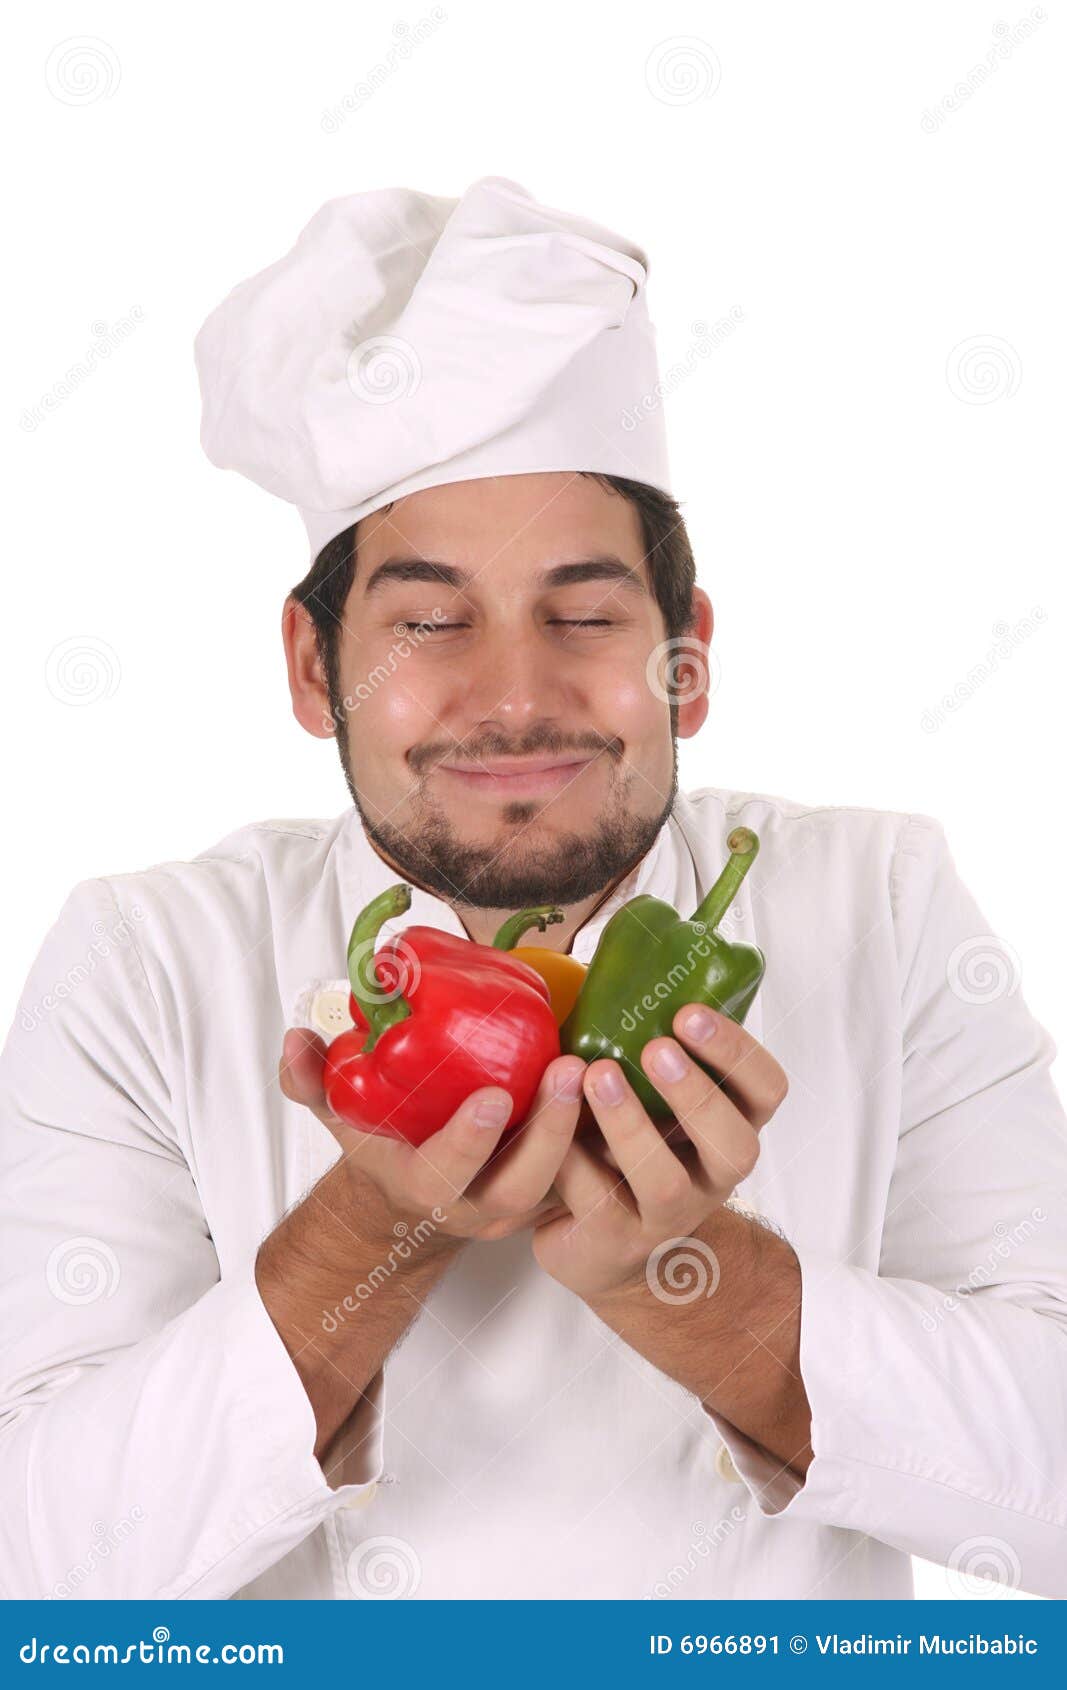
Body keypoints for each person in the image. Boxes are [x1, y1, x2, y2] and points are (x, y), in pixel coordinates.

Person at [2, 177, 1065, 1602]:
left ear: (686, 650)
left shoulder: (876, 903)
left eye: (585, 614)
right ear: (319, 670)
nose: (516, 694)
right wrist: (370, 1233)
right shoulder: (148, 959)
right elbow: (35, 1561)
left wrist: (691, 1285)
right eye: (431, 620)